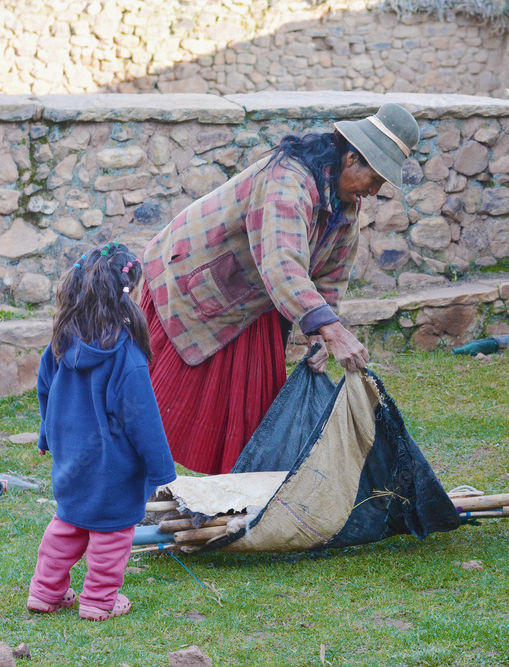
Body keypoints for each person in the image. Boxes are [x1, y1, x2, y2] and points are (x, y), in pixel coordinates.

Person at [140, 103, 420, 475]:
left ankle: (235, 496)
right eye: (375, 179)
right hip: (192, 283)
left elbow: (331, 277)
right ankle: (128, 489)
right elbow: (281, 262)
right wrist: (334, 333)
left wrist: (319, 336)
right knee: (153, 410)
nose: (374, 190)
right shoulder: (287, 181)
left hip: (253, 300)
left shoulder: (346, 207)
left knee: (251, 416)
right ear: (352, 158)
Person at [28, 242, 177, 621]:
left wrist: (46, 437)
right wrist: (162, 470)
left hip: (70, 460)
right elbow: (143, 418)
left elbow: (45, 392)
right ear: (126, 295)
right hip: (113, 468)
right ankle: (99, 600)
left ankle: (46, 592)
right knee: (111, 535)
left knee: (68, 524)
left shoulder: (60, 343)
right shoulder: (127, 355)